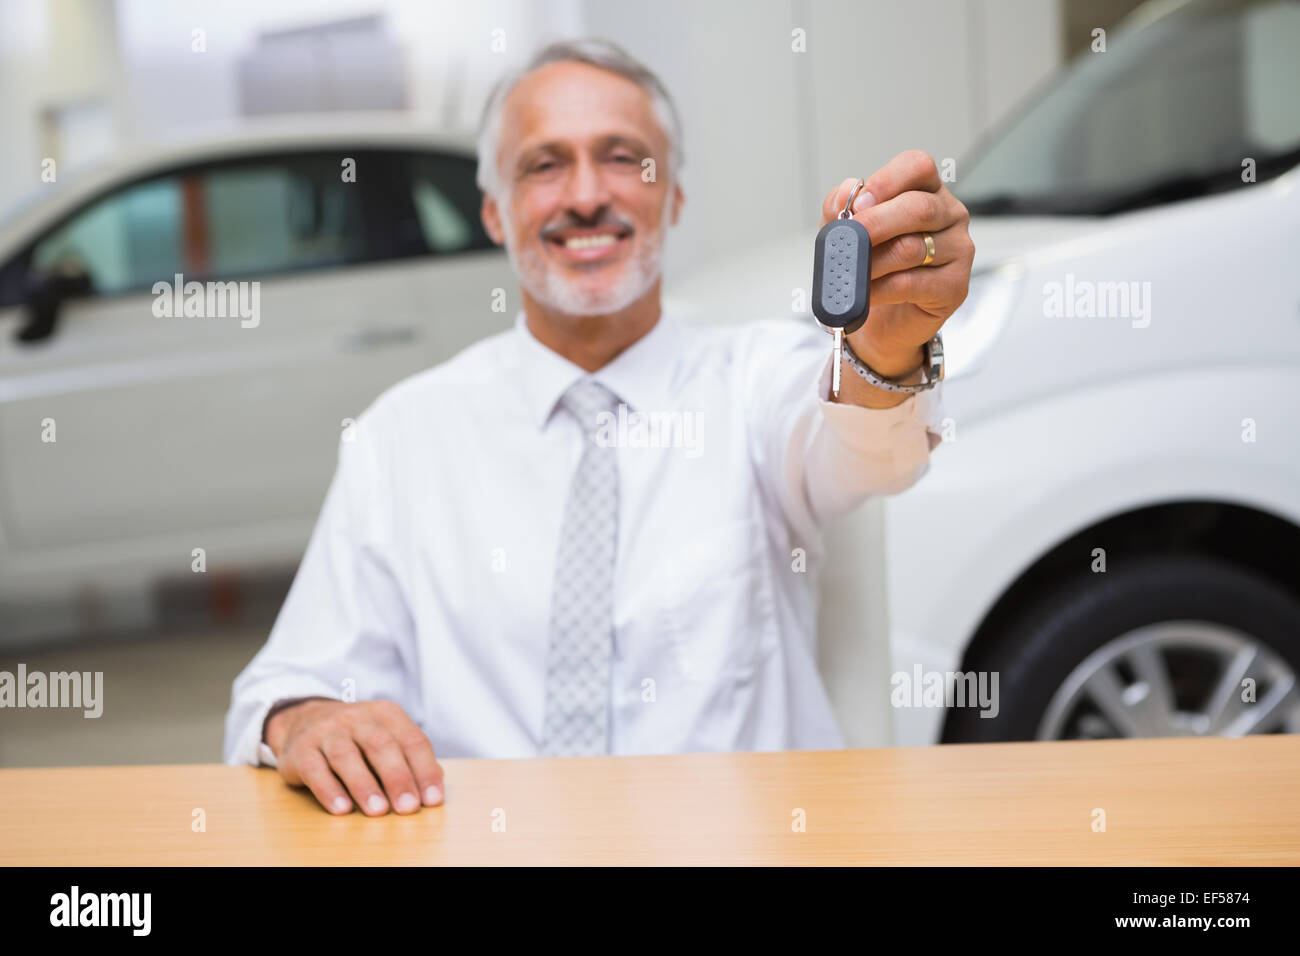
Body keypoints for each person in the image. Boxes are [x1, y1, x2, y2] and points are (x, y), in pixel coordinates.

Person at [224, 38, 974, 816]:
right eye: (544, 165)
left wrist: (886, 346)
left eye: (622, 158)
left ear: (673, 196)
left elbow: (867, 445)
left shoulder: (759, 381)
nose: (585, 195)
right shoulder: (401, 436)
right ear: (493, 210)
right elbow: (284, 686)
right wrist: (308, 718)